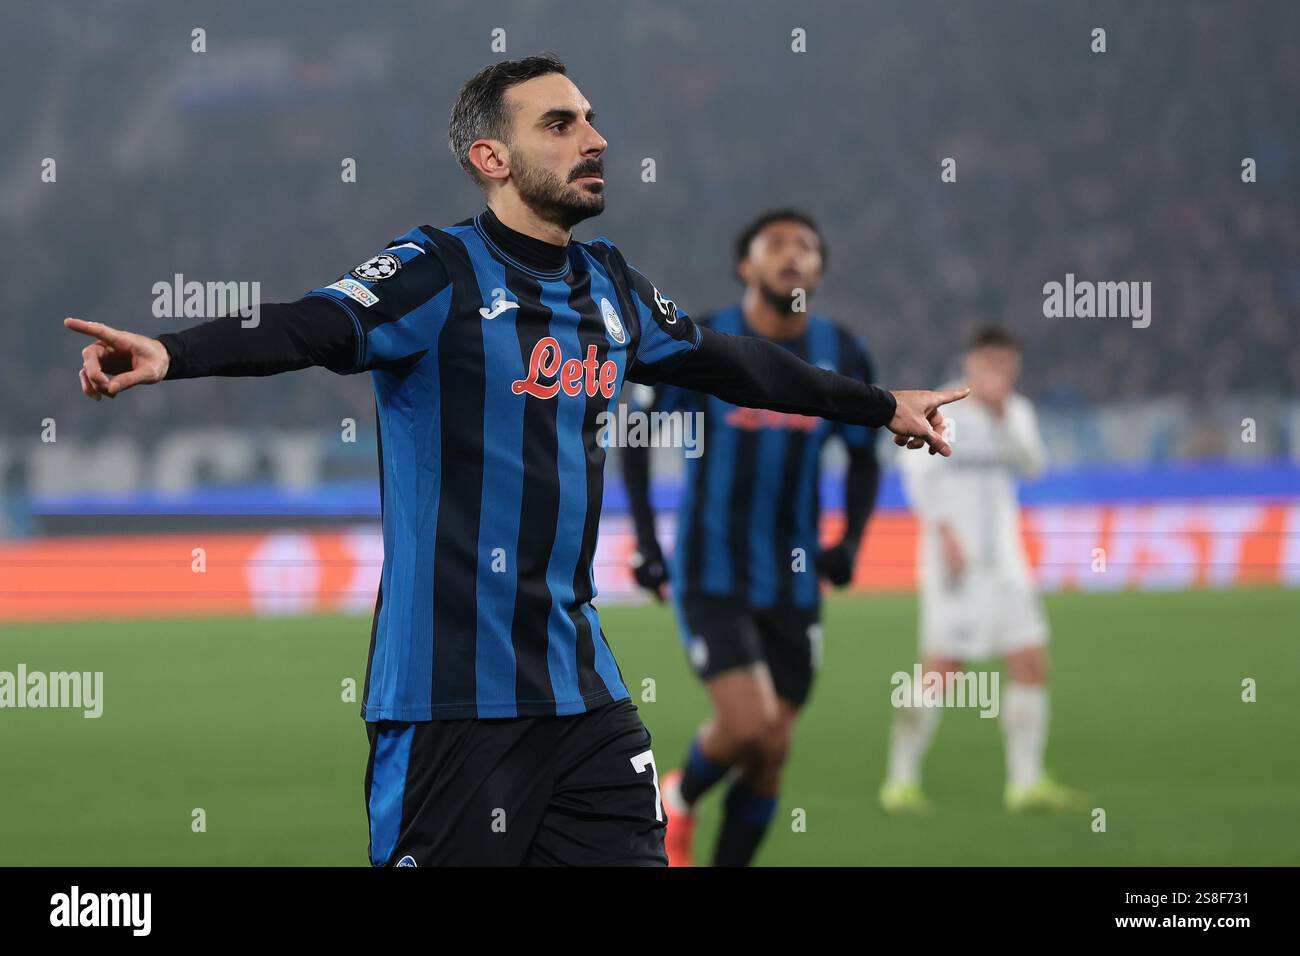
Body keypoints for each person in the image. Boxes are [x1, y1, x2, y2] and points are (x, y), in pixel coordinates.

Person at [67, 53, 967, 866]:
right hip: (448, 702)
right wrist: (174, 352)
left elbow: (725, 360)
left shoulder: (607, 281)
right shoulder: (434, 271)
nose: (595, 139)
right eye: (560, 124)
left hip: (583, 694)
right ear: (491, 158)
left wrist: (881, 403)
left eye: (591, 119)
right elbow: (311, 324)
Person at [622, 209, 882, 865]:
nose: (792, 255)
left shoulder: (842, 351)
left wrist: (850, 540)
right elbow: (635, 432)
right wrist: (647, 542)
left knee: (771, 751)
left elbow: (863, 453)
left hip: (793, 581)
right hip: (712, 571)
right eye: (776, 245)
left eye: (806, 247)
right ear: (746, 266)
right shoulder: (703, 342)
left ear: (821, 268)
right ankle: (675, 801)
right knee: (747, 724)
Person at [881, 326, 1083, 814]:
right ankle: (900, 779)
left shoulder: (1016, 412)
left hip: (1007, 564)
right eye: (988, 364)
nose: (997, 374)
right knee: (943, 671)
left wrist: (1003, 419)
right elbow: (916, 474)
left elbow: (1034, 467)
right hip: (955, 566)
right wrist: (946, 532)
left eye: (1005, 366)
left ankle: (1025, 782)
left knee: (1032, 662)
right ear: (970, 364)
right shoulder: (942, 410)